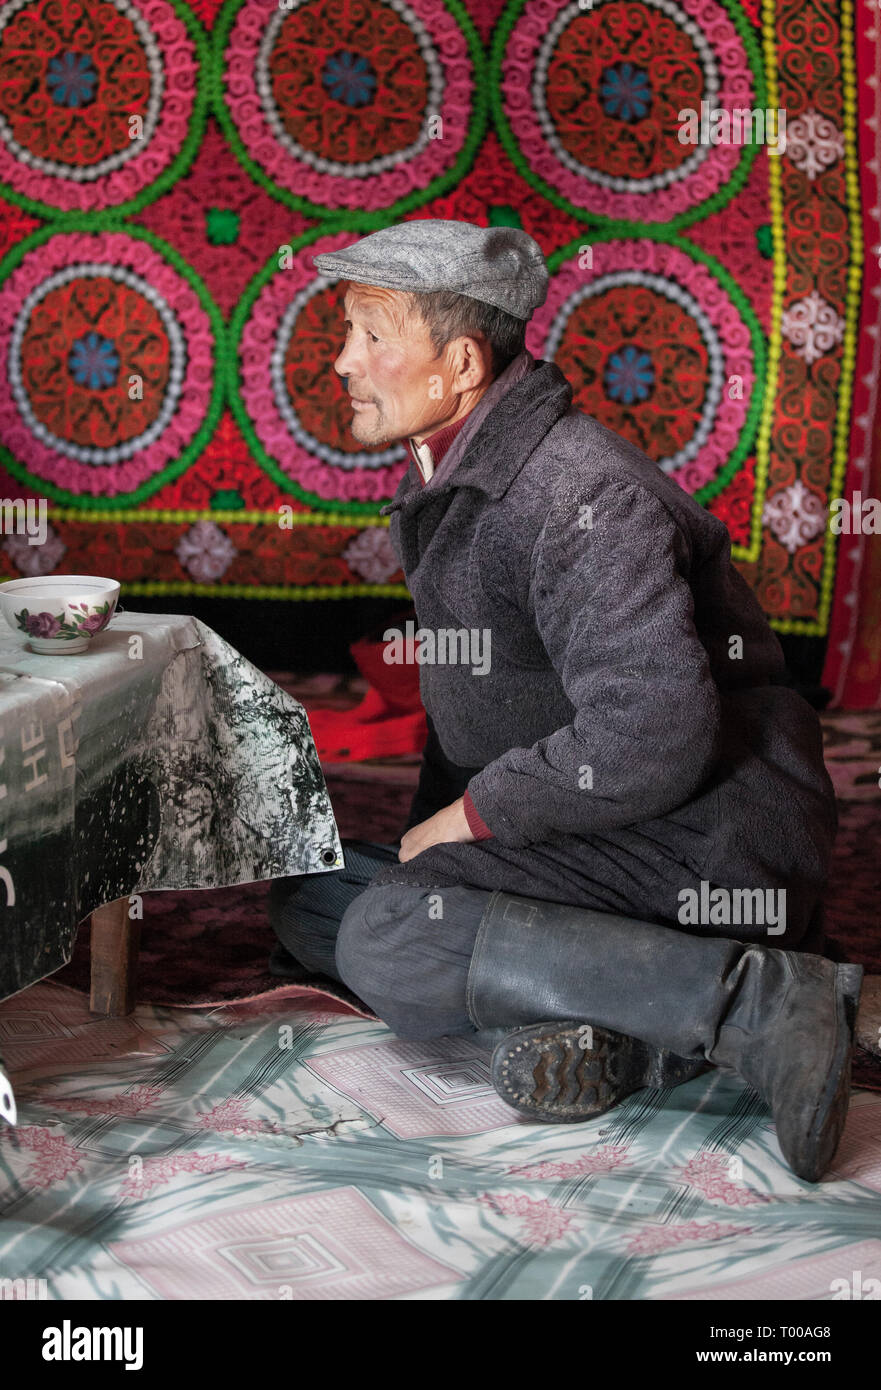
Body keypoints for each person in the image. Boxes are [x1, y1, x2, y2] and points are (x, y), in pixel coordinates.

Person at [269, 218, 862, 1183]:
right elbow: (481, 702)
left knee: (387, 935)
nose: (344, 361)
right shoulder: (462, 472)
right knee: (314, 898)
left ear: (458, 364)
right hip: (598, 829)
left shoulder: (581, 496)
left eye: (372, 336)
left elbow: (653, 734)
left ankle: (752, 1001)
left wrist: (467, 823)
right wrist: (439, 841)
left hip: (708, 831)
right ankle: (625, 1024)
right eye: (348, 334)